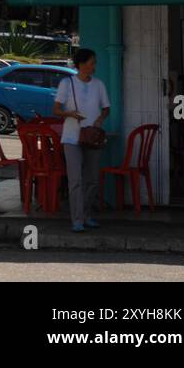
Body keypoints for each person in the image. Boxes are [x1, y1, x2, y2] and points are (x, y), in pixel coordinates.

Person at [53, 47, 111, 232]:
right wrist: (69, 113)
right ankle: (77, 219)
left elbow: (106, 108)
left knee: (93, 179)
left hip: (93, 136)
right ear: (81, 64)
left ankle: (87, 214)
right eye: (92, 62)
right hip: (71, 137)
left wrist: (100, 120)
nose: (94, 66)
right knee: (75, 180)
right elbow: (56, 109)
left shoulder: (99, 84)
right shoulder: (66, 83)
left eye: (94, 62)